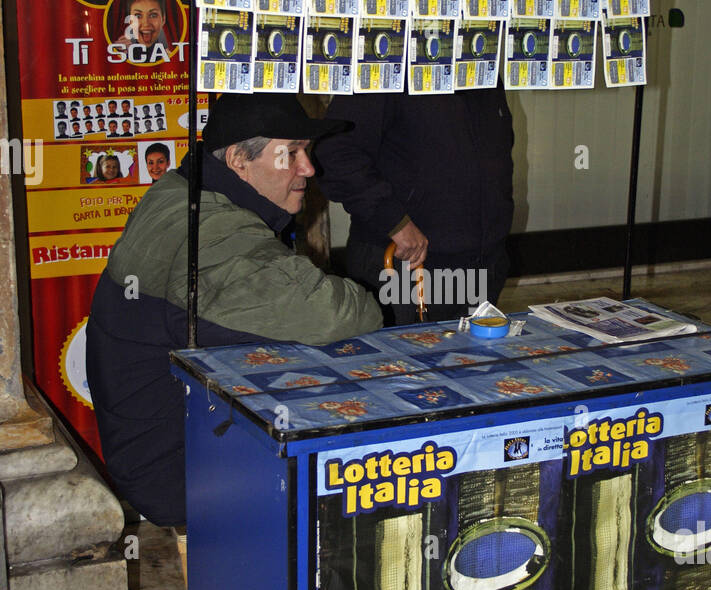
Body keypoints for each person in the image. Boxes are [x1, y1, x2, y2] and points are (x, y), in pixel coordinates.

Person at [86, 92, 382, 526]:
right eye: (292, 154)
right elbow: (343, 315)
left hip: (159, 442)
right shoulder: (213, 233)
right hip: (178, 471)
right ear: (239, 161)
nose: (309, 169)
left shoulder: (183, 189)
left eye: (307, 152)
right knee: (376, 476)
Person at [316, 83, 514, 325]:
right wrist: (393, 220)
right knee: (398, 361)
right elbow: (335, 152)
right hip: (405, 263)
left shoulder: (482, 66)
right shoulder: (391, 61)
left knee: (474, 361)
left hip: (482, 265)